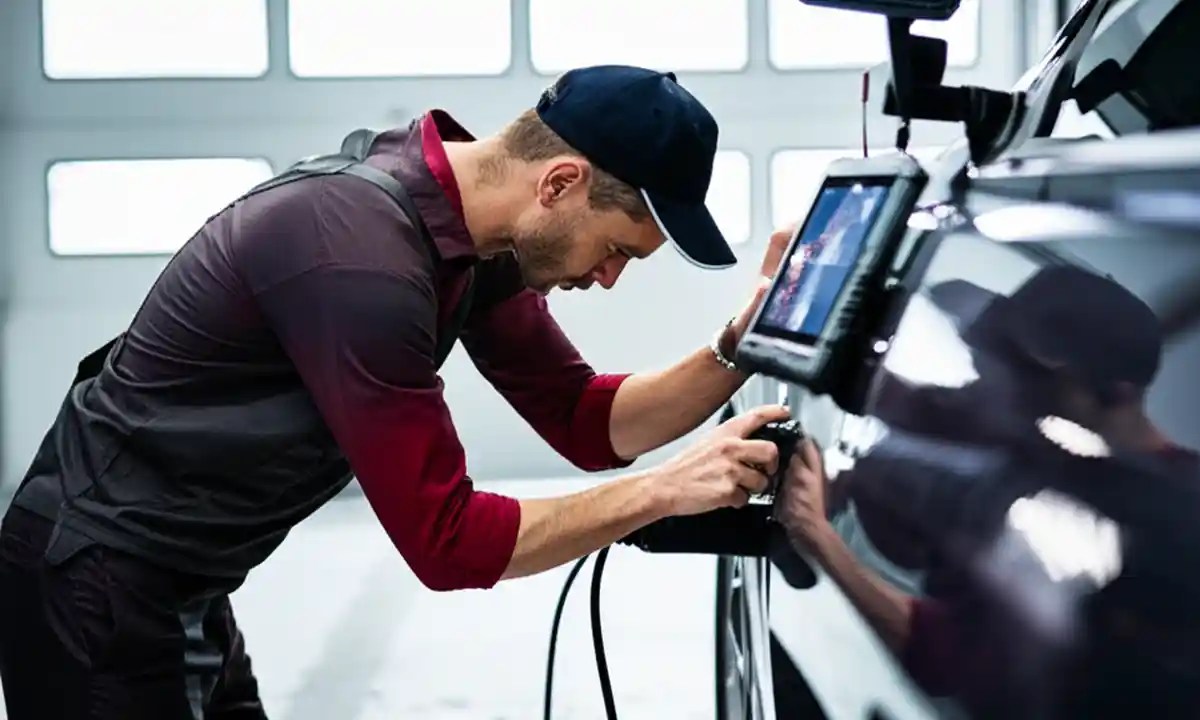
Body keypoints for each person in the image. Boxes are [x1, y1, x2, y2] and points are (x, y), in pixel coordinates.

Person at [0, 65, 792, 719]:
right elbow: (447, 541)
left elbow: (587, 422)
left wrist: (741, 345)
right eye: (616, 248)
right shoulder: (359, 254)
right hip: (98, 580)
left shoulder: (468, 237)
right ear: (559, 182)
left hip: (178, 579)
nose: (609, 278)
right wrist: (663, 492)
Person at [778, 266, 1200, 718]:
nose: (1007, 385)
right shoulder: (1061, 449)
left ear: (1116, 391)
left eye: (1034, 375)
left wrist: (821, 540)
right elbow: (939, 411)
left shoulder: (1185, 540)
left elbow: (957, 659)